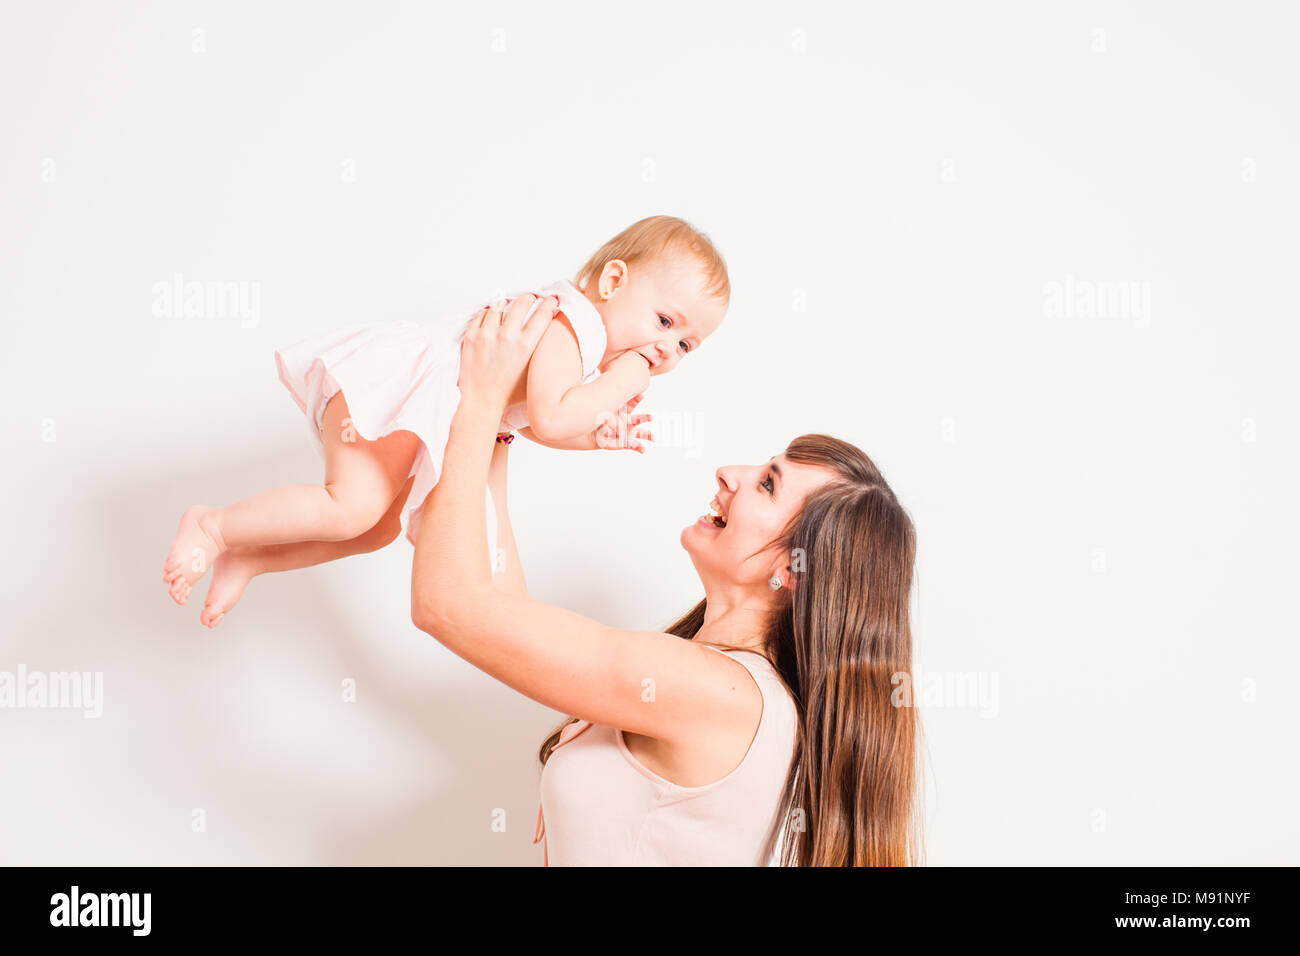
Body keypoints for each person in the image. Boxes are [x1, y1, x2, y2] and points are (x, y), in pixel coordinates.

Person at [412, 294, 924, 866]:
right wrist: (499, 432)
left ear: (792, 571)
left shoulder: (720, 692)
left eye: (768, 486)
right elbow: (497, 607)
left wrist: (478, 402)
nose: (731, 473)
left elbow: (447, 605)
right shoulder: (717, 684)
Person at [162, 215, 729, 628]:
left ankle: (251, 553)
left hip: (422, 408)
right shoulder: (571, 325)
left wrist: (600, 435)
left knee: (376, 527)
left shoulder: (580, 348)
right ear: (612, 283)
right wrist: (617, 387)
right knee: (352, 506)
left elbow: (529, 421)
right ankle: (213, 526)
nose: (666, 349)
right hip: (400, 388)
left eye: (685, 344)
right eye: (663, 321)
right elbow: (553, 419)